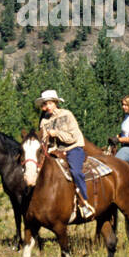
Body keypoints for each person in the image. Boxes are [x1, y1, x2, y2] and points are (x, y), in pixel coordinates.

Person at [36, 89, 94, 221]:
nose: (47, 107)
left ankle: (84, 202)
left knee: (75, 171)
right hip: (55, 151)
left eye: (50, 103)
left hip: (73, 148)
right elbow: (44, 139)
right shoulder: (44, 121)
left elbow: (73, 137)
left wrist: (56, 133)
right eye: (45, 104)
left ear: (56, 102)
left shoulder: (67, 114)